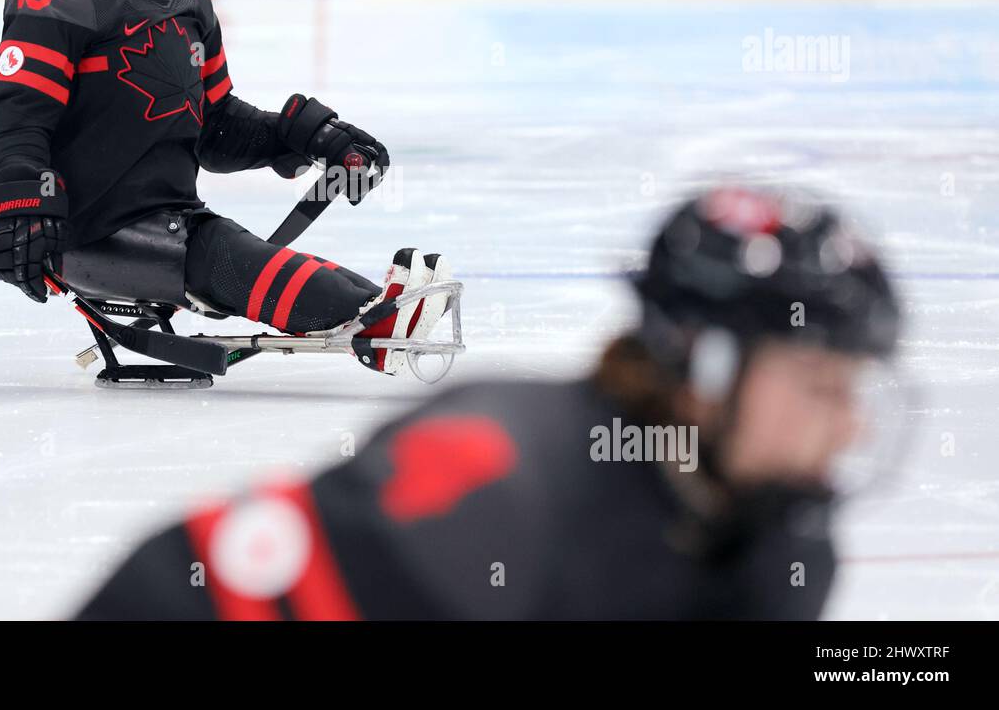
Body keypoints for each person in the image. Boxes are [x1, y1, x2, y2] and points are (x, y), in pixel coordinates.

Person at [76, 186, 902, 619]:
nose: (851, 423)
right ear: (704, 370)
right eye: (819, 385)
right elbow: (176, 591)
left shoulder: (778, 531)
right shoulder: (494, 477)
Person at [0, 0, 450, 375]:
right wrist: (23, 205)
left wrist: (306, 135)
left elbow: (216, 126)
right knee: (226, 253)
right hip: (86, 226)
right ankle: (380, 324)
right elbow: (14, 118)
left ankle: (377, 309)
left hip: (169, 217)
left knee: (233, 250)